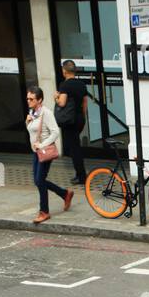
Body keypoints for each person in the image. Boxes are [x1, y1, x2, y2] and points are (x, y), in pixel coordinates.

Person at [25, 86, 71, 225]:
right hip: (36, 152)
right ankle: (64, 194)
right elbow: (33, 130)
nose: (28, 101)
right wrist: (27, 122)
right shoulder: (32, 111)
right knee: (39, 181)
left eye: (31, 99)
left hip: (44, 152)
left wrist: (42, 145)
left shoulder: (46, 113)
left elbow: (55, 132)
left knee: (39, 181)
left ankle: (44, 211)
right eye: (27, 98)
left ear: (39, 100)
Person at [54, 60, 89, 186]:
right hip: (79, 119)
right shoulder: (81, 84)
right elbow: (85, 102)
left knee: (74, 149)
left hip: (69, 121)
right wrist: (83, 117)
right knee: (75, 146)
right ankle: (81, 174)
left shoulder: (65, 85)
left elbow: (62, 103)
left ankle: (81, 176)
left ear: (64, 71)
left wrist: (56, 97)